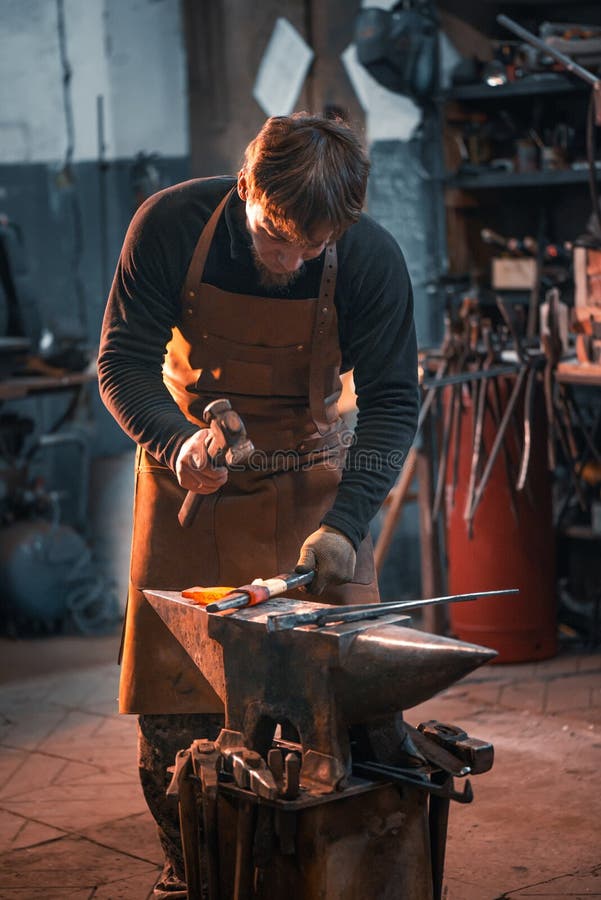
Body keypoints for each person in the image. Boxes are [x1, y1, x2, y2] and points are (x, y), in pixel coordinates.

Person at [98, 112, 418, 897]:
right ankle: (193, 869)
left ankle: (352, 868)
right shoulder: (171, 223)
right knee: (180, 710)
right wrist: (176, 442)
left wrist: (347, 523)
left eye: (313, 246)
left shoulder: (368, 257)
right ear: (246, 187)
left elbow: (391, 403)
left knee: (359, 706)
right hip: (190, 487)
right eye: (278, 235)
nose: (294, 258)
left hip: (313, 490)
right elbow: (123, 361)